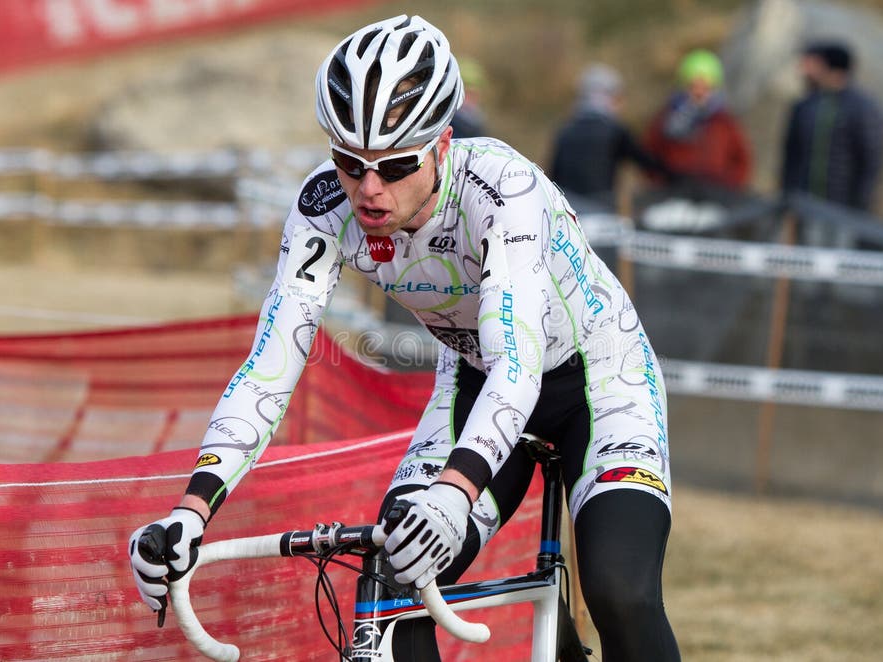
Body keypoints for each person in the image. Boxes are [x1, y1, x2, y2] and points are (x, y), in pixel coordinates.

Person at [128, 15, 679, 662]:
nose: (368, 188)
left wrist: (456, 489)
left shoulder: (503, 193)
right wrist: (191, 512)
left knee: (620, 590)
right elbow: (269, 368)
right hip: (474, 377)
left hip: (597, 377)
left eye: (393, 165)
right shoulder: (323, 207)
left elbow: (518, 366)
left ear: (443, 144)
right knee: (392, 586)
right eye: (348, 162)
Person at [781, 40, 883, 211]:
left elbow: (870, 160)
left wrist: (860, 204)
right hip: (804, 205)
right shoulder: (804, 107)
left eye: (813, 64)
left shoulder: (863, 108)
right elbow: (791, 156)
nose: (804, 71)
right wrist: (788, 197)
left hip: (843, 209)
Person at [548, 63, 669, 212]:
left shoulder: (566, 130)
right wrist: (673, 177)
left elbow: (553, 174)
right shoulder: (614, 130)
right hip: (601, 208)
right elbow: (647, 162)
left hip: (568, 209)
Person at [642, 49, 752, 191]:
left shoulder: (724, 122)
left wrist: (729, 186)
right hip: (672, 194)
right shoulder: (666, 120)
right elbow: (649, 155)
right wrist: (662, 182)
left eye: (705, 87)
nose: (699, 92)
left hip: (715, 194)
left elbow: (742, 160)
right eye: (694, 86)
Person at [449, 56, 489, 138]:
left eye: (474, 94)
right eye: (467, 93)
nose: (470, 99)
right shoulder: (448, 126)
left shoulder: (477, 123)